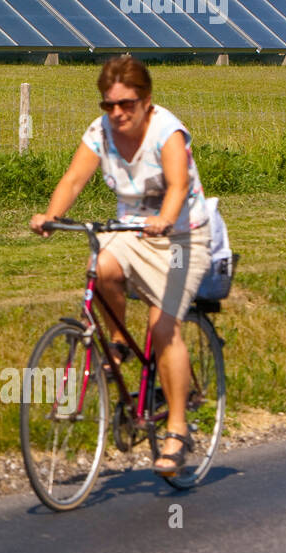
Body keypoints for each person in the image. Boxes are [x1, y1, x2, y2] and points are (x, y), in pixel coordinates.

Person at [30, 56, 211, 475]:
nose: (117, 113)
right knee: (103, 264)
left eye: (126, 104)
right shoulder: (100, 133)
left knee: (163, 329)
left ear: (146, 101)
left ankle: (178, 430)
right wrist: (50, 216)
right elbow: (75, 178)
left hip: (181, 235)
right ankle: (118, 341)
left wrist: (165, 220)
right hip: (130, 230)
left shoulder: (167, 131)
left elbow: (179, 186)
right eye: (109, 105)